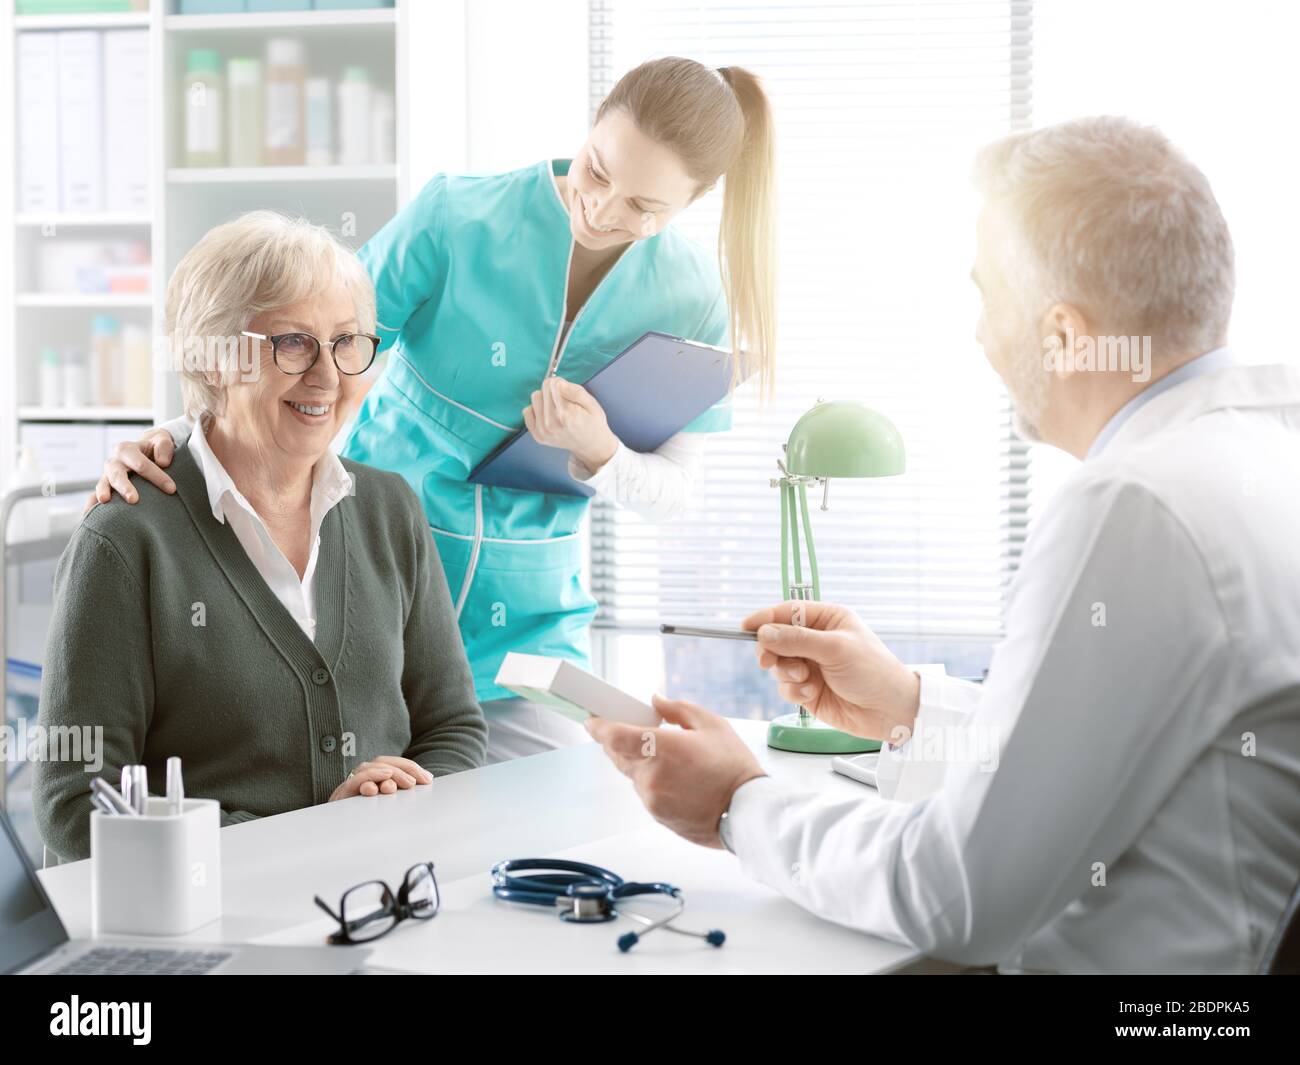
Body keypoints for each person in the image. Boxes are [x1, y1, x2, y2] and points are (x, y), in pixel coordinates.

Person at [585, 116, 1300, 974]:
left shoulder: (1134, 505)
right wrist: (907, 705)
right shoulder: (1258, 453)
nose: (979, 335)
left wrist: (738, 804)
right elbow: (1110, 752)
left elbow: (956, 895)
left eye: (987, 294)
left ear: (1066, 335)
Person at [87, 57, 778, 763]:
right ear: (591, 125)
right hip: (374, 591)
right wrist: (180, 439)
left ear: (689, 205)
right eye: (597, 171)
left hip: (530, 632)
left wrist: (600, 449)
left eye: (644, 208)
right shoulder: (457, 216)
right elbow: (305, 356)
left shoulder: (693, 300)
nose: (602, 210)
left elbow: (674, 496)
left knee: (525, 832)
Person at [34, 212, 487, 863]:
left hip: (376, 902)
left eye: (347, 341)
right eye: (293, 343)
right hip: (201, 930)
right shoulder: (126, 541)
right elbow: (76, 805)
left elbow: (453, 728)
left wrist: (404, 795)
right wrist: (308, 838)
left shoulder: (390, 509)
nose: (329, 376)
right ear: (214, 359)